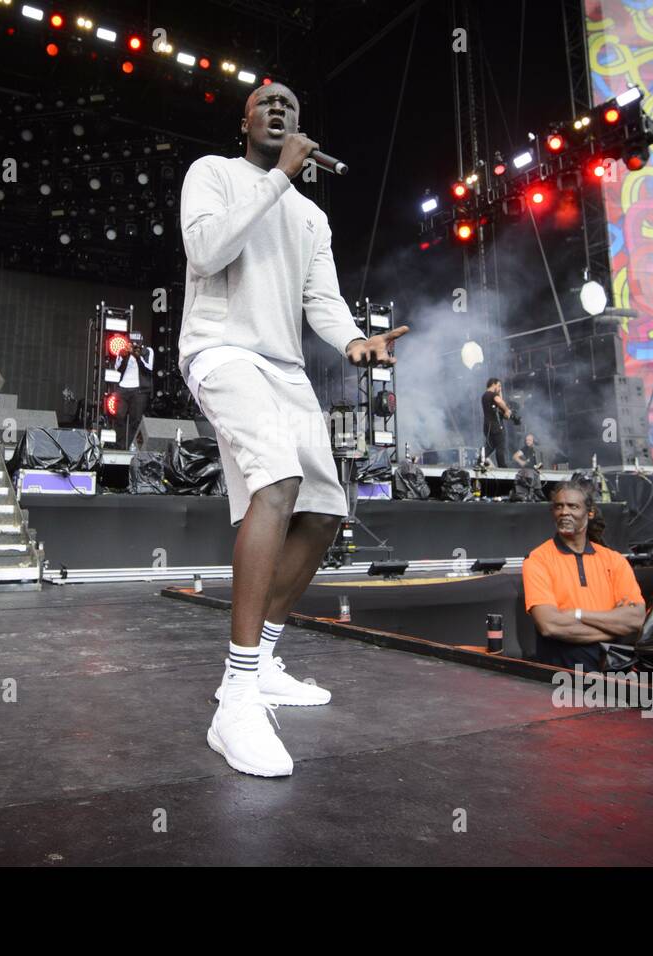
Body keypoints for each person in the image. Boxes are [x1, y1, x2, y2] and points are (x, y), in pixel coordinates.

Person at [180, 81, 408, 777]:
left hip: (283, 367)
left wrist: (354, 344)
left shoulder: (311, 217)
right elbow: (208, 252)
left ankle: (264, 657)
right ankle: (237, 698)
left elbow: (324, 303)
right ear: (243, 119)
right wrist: (277, 179)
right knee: (275, 480)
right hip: (220, 349)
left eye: (292, 106)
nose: (280, 110)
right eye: (266, 103)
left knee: (326, 509)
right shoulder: (212, 175)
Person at [522, 479, 645, 670]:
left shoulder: (614, 560)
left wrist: (576, 614)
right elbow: (550, 625)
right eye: (558, 506)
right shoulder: (538, 559)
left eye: (573, 506)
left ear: (590, 512)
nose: (564, 512)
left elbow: (636, 619)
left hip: (612, 672)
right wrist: (613, 627)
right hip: (561, 677)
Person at [115, 334, 154, 449]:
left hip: (139, 390)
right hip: (123, 387)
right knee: (119, 416)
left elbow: (149, 368)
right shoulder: (124, 351)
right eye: (132, 342)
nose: (134, 345)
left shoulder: (148, 351)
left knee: (135, 419)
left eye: (136, 343)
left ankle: (132, 446)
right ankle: (120, 445)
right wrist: (122, 356)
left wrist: (137, 356)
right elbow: (117, 368)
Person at [481, 378, 518, 467]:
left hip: (488, 427)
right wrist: (507, 410)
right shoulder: (491, 394)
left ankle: (479, 461)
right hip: (495, 426)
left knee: (490, 446)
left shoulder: (485, 396)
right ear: (493, 384)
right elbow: (499, 401)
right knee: (500, 446)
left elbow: (499, 404)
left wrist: (500, 393)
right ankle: (502, 467)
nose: (500, 388)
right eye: (499, 386)